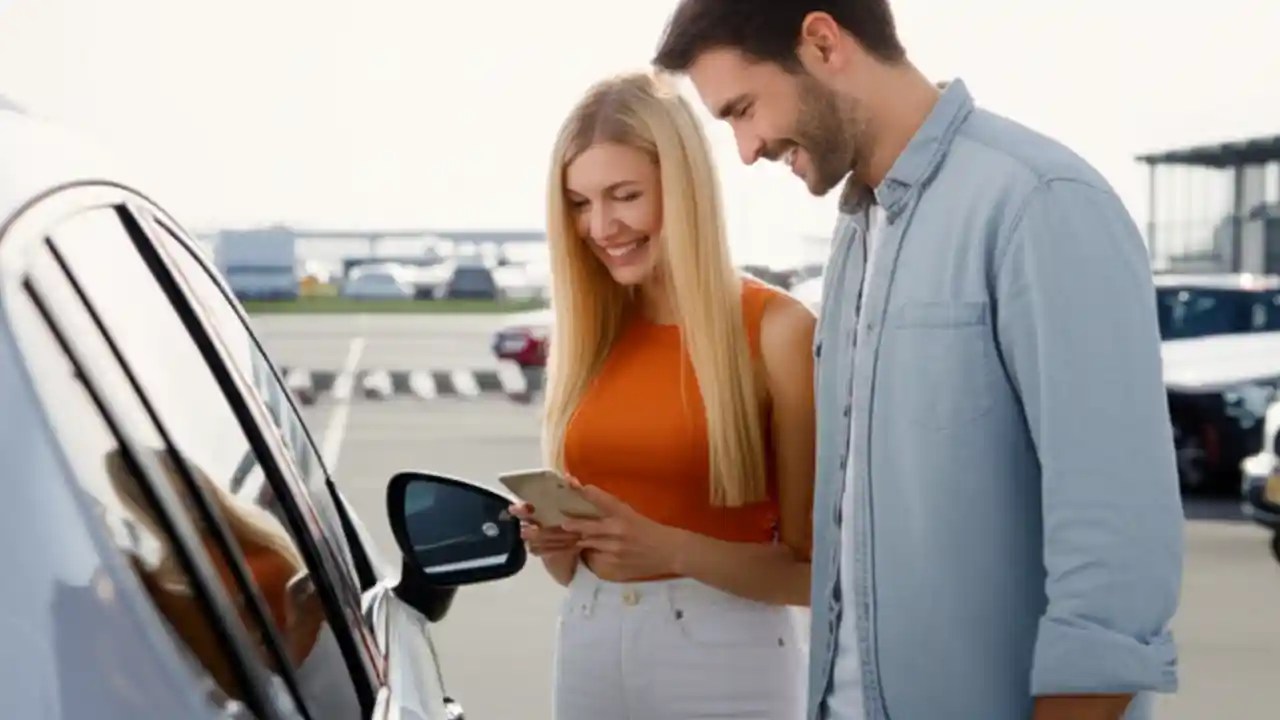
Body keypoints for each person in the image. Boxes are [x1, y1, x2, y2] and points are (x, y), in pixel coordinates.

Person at [653, 3, 1185, 720]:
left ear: (821, 42)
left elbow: (1117, 556)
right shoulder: (855, 237)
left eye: (743, 110)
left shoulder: (1037, 203)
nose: (747, 149)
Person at [513, 70, 817, 720]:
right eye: (578, 202)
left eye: (624, 195)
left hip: (725, 659)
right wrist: (560, 544)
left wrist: (668, 548)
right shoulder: (591, 333)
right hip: (589, 638)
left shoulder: (779, 332)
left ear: (683, 190)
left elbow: (816, 575)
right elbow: (579, 569)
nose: (601, 227)